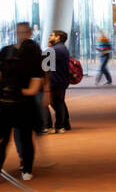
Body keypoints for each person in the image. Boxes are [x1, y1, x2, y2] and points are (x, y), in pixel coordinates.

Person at [1, 23, 46, 180]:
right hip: (7, 102)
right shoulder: (6, 51)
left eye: (24, 32)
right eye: (19, 32)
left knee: (25, 137)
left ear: (30, 33)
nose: (21, 35)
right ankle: (25, 166)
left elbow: (38, 79)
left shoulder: (33, 52)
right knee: (4, 138)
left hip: (23, 104)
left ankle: (27, 167)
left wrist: (22, 91)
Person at [46, 30, 72, 133]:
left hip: (53, 80)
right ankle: (62, 125)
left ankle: (53, 126)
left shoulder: (53, 50)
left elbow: (44, 65)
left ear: (58, 37)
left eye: (51, 35)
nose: (49, 37)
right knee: (59, 102)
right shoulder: (63, 48)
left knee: (51, 103)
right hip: (62, 80)